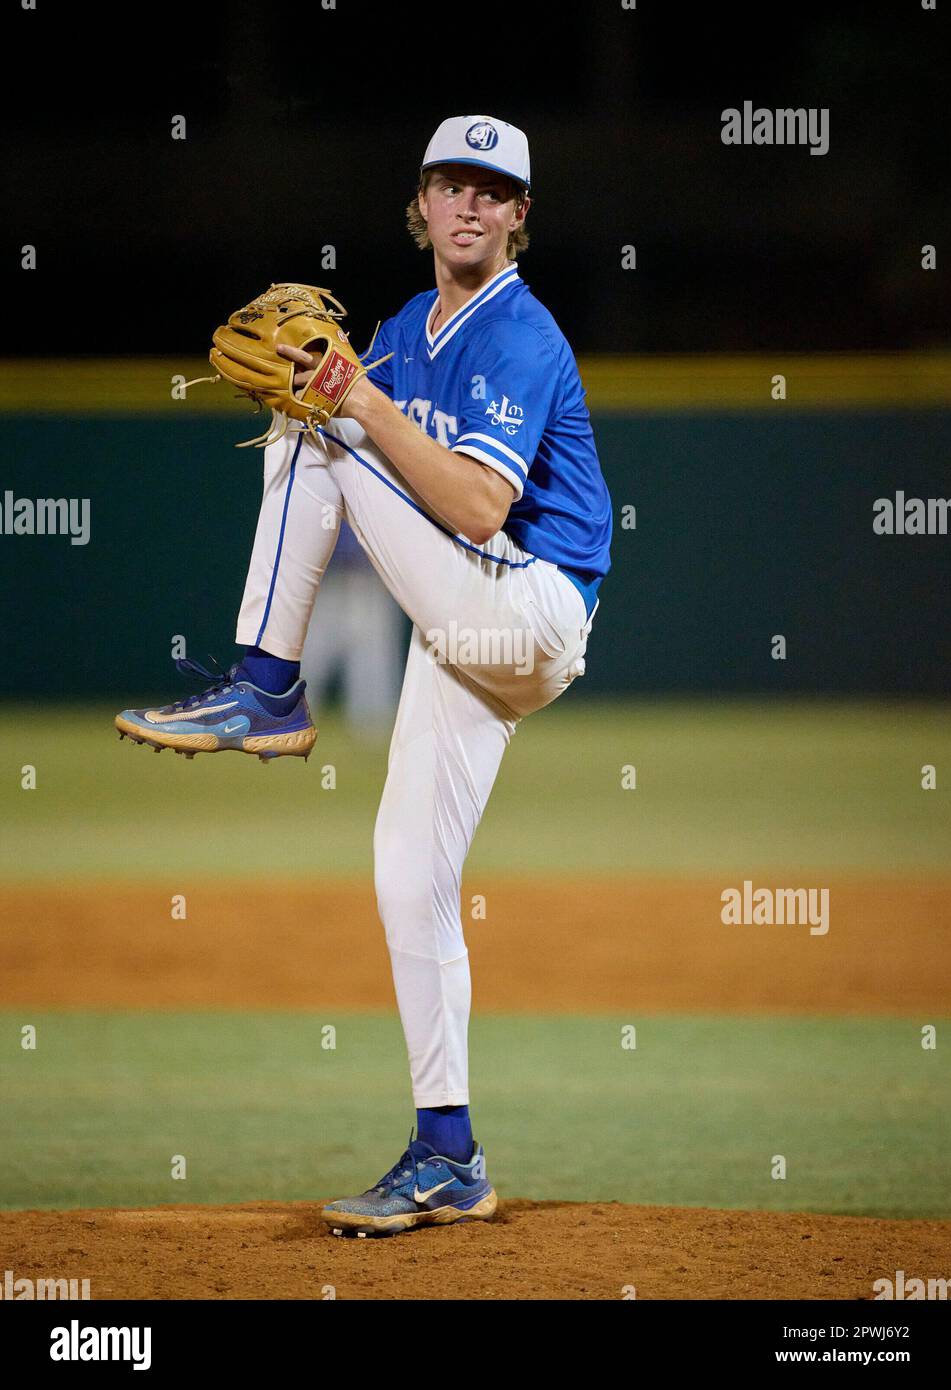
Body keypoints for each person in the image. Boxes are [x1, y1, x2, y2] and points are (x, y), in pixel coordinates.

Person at [115, 114, 613, 1237]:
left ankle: (266, 683)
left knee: (322, 426)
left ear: (521, 215)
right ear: (423, 201)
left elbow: (483, 505)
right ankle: (450, 1152)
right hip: (469, 635)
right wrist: (342, 386)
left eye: (495, 189)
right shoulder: (401, 328)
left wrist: (350, 397)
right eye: (452, 183)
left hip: (529, 608)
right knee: (405, 874)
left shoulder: (519, 334)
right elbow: (369, 420)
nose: (471, 205)